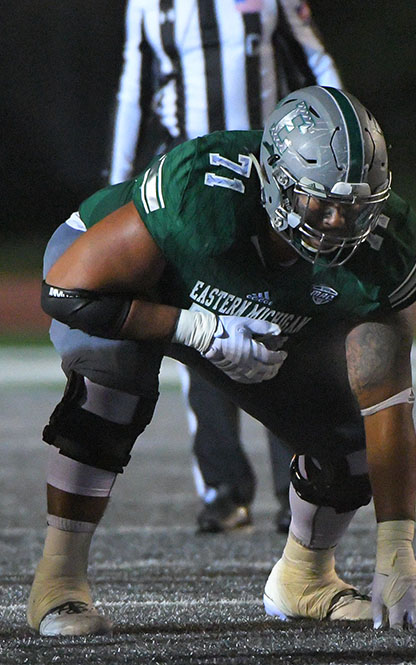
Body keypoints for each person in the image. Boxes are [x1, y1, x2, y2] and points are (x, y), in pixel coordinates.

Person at [27, 85, 416, 636]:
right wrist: (193, 327)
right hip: (139, 287)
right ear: (275, 183)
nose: (340, 224)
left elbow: (385, 398)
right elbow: (67, 293)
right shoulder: (204, 192)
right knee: (111, 389)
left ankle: (306, 579)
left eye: (356, 207)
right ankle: (58, 582)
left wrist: (397, 548)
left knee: (350, 445)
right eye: (323, 202)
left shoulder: (384, 248)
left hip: (261, 314)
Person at [108, 0, 343, 534]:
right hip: (191, 186)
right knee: (205, 330)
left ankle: (297, 486)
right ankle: (223, 487)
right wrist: (116, 181)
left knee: (284, 325)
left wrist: (339, 142)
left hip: (273, 175)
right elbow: (133, 86)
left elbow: (315, 62)